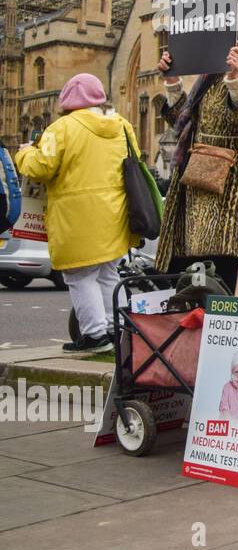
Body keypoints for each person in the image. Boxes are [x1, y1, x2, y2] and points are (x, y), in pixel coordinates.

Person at [13, 74, 140, 352]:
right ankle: (114, 331)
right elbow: (135, 161)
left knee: (79, 276)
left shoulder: (61, 129)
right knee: (108, 274)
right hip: (115, 214)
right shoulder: (122, 126)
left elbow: (40, 167)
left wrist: (24, 153)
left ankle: (94, 336)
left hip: (77, 216)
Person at [155, 42, 238, 291]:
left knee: (222, 265)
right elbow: (187, 123)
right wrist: (173, 82)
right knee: (191, 269)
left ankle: (220, 323)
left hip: (228, 184)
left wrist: (235, 78)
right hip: (196, 175)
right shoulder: (208, 67)